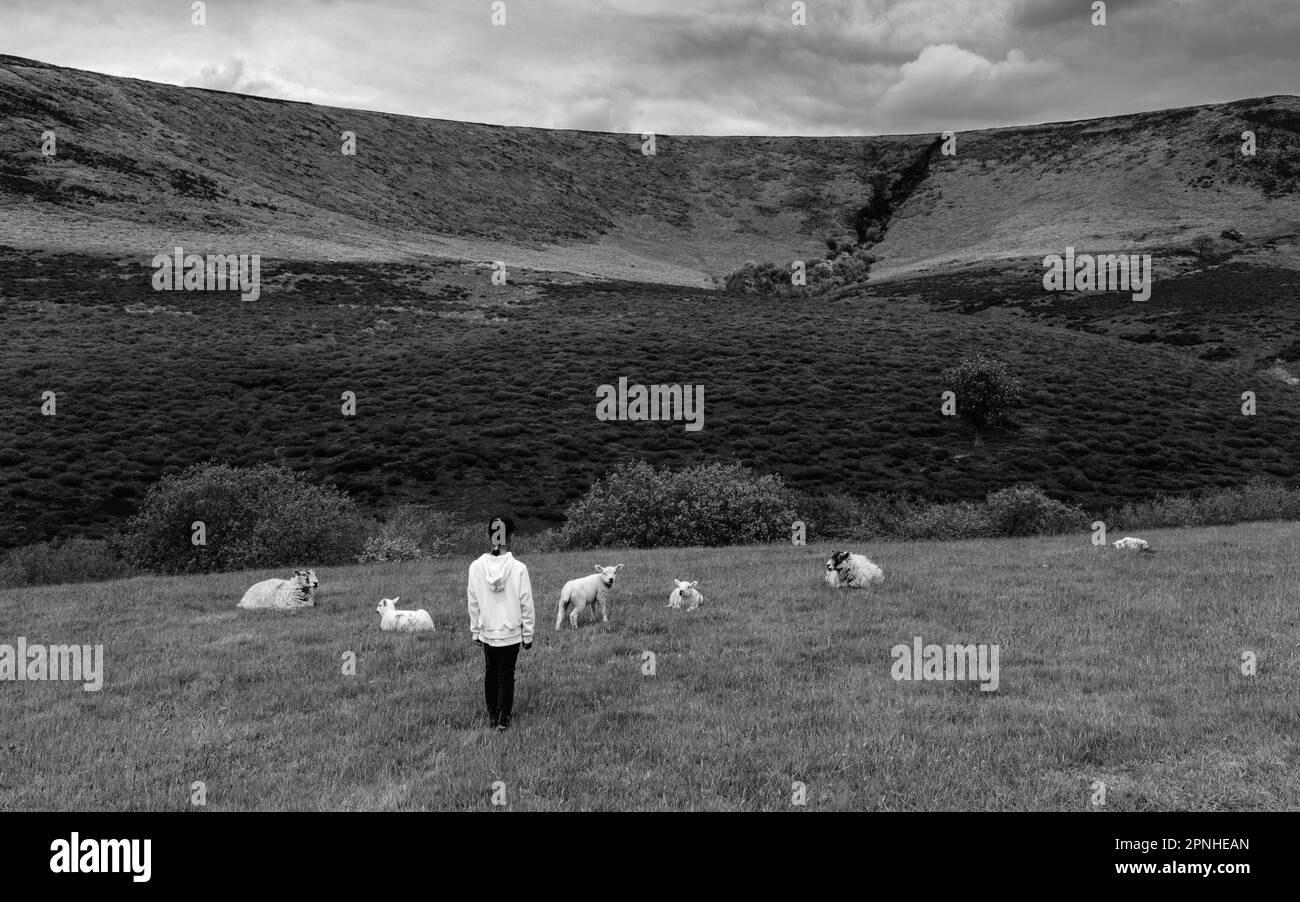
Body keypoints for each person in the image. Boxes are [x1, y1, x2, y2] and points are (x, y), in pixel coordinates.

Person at [467, 515, 534, 731]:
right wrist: (528, 634)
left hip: (487, 631)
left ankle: (492, 715)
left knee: (491, 672)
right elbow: (526, 603)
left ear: (490, 535)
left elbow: (473, 601)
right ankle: (503, 721)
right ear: (511, 537)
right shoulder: (519, 568)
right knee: (506, 675)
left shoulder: (476, 567)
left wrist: (475, 630)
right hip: (512, 632)